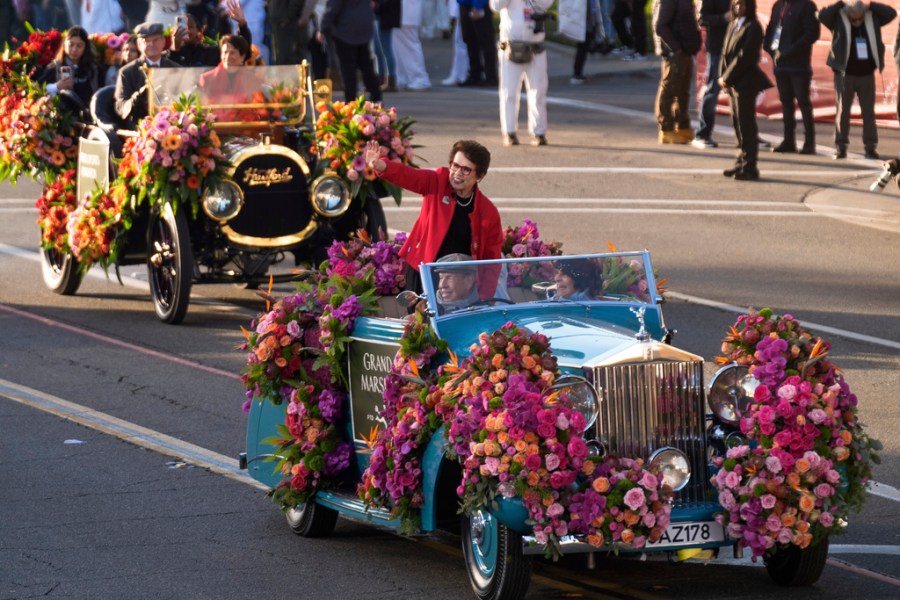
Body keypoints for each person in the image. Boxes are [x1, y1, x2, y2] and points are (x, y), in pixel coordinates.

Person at [366, 139, 503, 298]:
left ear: (479, 175)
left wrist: (485, 299)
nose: (457, 173)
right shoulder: (438, 181)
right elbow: (409, 176)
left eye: (466, 169)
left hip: (459, 287)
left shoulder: (488, 212)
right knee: (419, 315)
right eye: (455, 165)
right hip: (423, 273)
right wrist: (380, 165)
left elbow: (491, 263)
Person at [818, 0, 895, 160]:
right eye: (854, 18)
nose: (857, 20)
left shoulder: (872, 17)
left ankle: (870, 147)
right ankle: (841, 146)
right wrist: (840, 4)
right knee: (843, 111)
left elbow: (891, 13)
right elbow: (822, 15)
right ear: (848, 14)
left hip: (866, 74)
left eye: (860, 17)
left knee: (868, 113)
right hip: (844, 74)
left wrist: (871, 5)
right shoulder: (838, 18)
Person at [718, 0, 772, 180]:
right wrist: (722, 76)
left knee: (746, 125)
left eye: (743, 4)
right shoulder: (733, 24)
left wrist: (727, 77)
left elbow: (745, 56)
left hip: (746, 82)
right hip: (733, 82)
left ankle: (750, 166)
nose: (739, 8)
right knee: (737, 124)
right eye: (736, 4)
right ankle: (740, 162)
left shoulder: (753, 27)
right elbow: (725, 53)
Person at [491, 0, 553, 147]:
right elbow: (495, 6)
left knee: (538, 91)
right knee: (509, 92)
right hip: (511, 47)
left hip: (536, 47)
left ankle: (539, 132)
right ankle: (509, 132)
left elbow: (546, 4)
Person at [764, 0, 820, 154]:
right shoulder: (778, 5)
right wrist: (769, 49)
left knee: (803, 103)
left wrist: (789, 51)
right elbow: (771, 28)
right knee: (786, 103)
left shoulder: (807, 6)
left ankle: (809, 143)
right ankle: (789, 140)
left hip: (798, 65)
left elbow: (812, 34)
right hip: (780, 64)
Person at [652, 0, 701, 144]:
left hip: (685, 50)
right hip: (675, 52)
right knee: (670, 90)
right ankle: (666, 129)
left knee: (682, 91)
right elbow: (660, 26)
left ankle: (682, 125)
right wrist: (676, 48)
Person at [114, 21, 180, 127]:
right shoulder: (127, 72)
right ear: (139, 44)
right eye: (146, 41)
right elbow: (121, 107)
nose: (151, 44)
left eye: (156, 40)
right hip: (141, 125)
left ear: (163, 41)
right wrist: (140, 94)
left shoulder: (175, 68)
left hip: (172, 124)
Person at [317, 0, 383, 102]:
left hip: (345, 30)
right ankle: (376, 94)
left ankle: (351, 99)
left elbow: (332, 8)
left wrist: (323, 28)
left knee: (348, 68)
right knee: (366, 64)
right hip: (364, 27)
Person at [693, 0, 731, 148]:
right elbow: (702, 18)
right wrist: (723, 18)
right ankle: (702, 133)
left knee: (743, 92)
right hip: (718, 48)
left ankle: (747, 136)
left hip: (738, 45)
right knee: (713, 89)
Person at [39, 26, 102, 112]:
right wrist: (56, 87)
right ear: (64, 45)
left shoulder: (94, 69)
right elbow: (38, 89)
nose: (74, 49)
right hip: (62, 116)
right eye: (71, 45)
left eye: (79, 46)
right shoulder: (54, 67)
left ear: (85, 48)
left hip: (90, 114)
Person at [393, 0, 431, 90]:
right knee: (397, 47)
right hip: (400, 12)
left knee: (409, 45)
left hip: (406, 12)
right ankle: (403, 78)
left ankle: (419, 78)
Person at [458, 0, 498, 86]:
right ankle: (475, 75)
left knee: (486, 42)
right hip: (465, 4)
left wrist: (478, 5)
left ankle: (490, 77)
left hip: (479, 5)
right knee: (470, 41)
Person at [269, 0, 306, 65]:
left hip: (287, 23)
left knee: (287, 55)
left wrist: (287, 18)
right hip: (276, 20)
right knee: (279, 54)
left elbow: (296, 3)